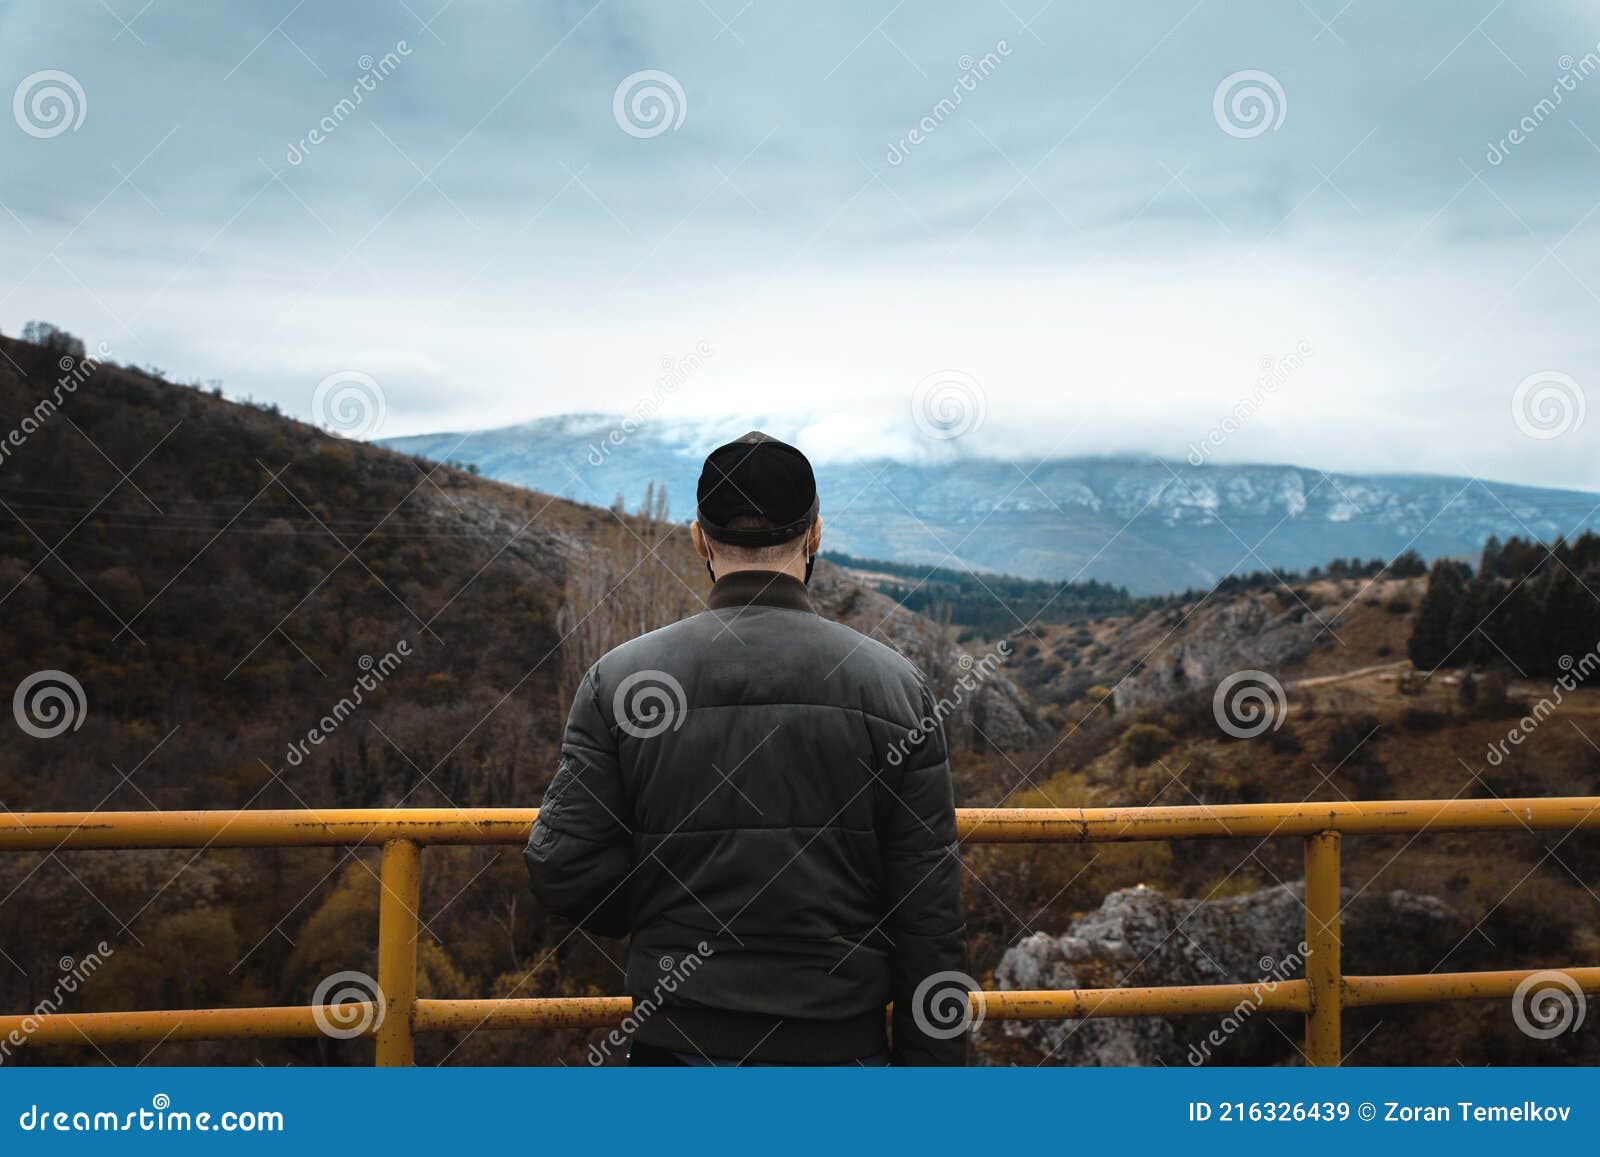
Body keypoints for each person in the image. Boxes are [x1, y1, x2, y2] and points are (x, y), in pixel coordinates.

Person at [524, 431, 968, 1065]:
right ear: (815, 535)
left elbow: (559, 866)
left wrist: (660, 902)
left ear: (699, 538)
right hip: (840, 1054)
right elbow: (929, 914)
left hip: (675, 1051)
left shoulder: (620, 681)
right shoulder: (894, 686)